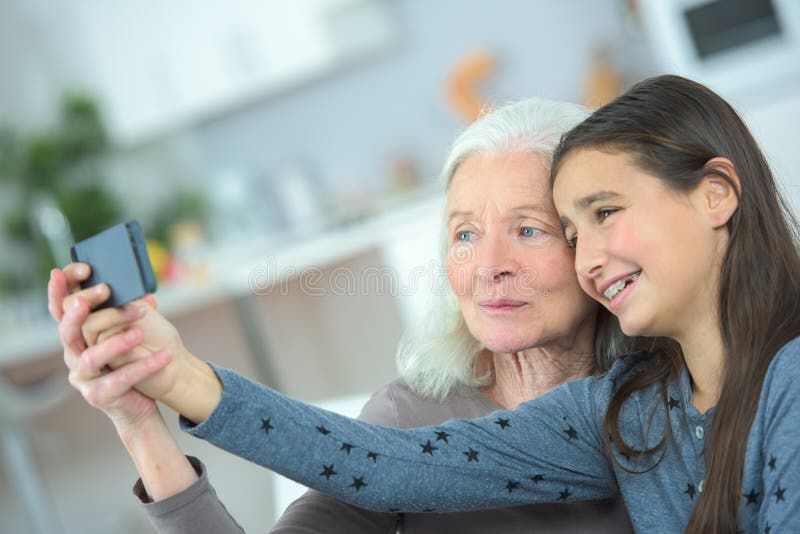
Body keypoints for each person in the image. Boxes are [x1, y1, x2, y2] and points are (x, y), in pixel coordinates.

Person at [54, 74, 800, 532]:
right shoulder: (617, 412)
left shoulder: (665, 400)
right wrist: (152, 404)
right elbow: (386, 464)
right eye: (464, 234)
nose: (489, 268)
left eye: (537, 230)